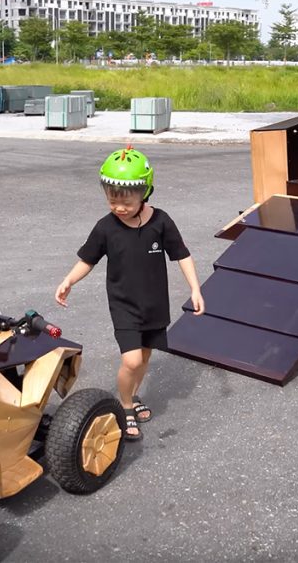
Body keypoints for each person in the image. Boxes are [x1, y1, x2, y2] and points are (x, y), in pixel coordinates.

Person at [55, 147, 204, 441]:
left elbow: (182, 255)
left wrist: (195, 288)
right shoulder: (105, 228)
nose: (119, 208)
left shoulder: (161, 222)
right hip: (124, 305)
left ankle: (133, 396)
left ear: (144, 192)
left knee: (145, 357)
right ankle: (124, 406)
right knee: (132, 361)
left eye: (126, 202)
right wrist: (68, 280)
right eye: (112, 201)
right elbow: (88, 259)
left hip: (154, 305)